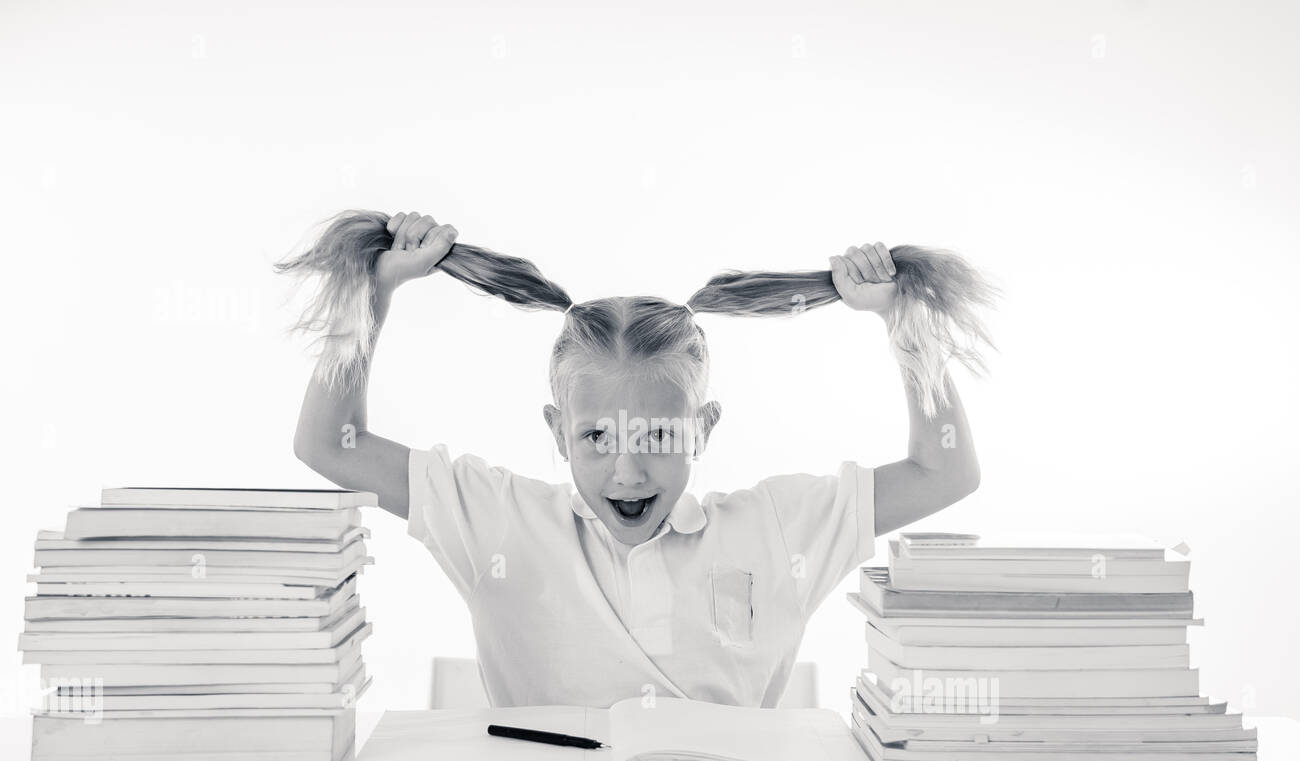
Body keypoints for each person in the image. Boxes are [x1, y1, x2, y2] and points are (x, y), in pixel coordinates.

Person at [279, 210, 993, 707]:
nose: (627, 471)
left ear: (702, 429)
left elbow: (946, 471)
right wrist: (373, 290)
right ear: (558, 432)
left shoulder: (780, 528)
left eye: (656, 436)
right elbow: (327, 442)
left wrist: (905, 321)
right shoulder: (497, 522)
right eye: (597, 438)